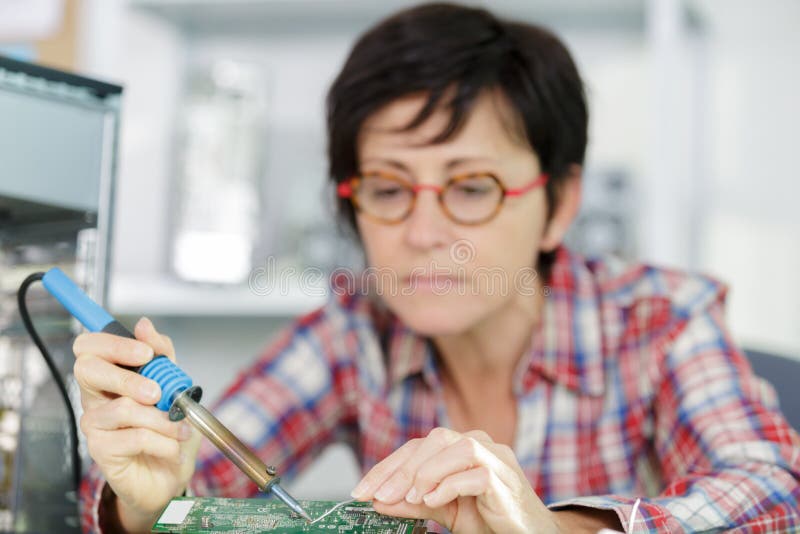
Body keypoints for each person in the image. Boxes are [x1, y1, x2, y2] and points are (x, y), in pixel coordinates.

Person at [74, 3, 800, 533]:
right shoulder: (355, 330)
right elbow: (203, 475)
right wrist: (148, 504)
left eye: (472, 187)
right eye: (388, 189)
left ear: (560, 203)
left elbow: (775, 496)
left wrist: (561, 533)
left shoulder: (661, 318)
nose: (423, 233)